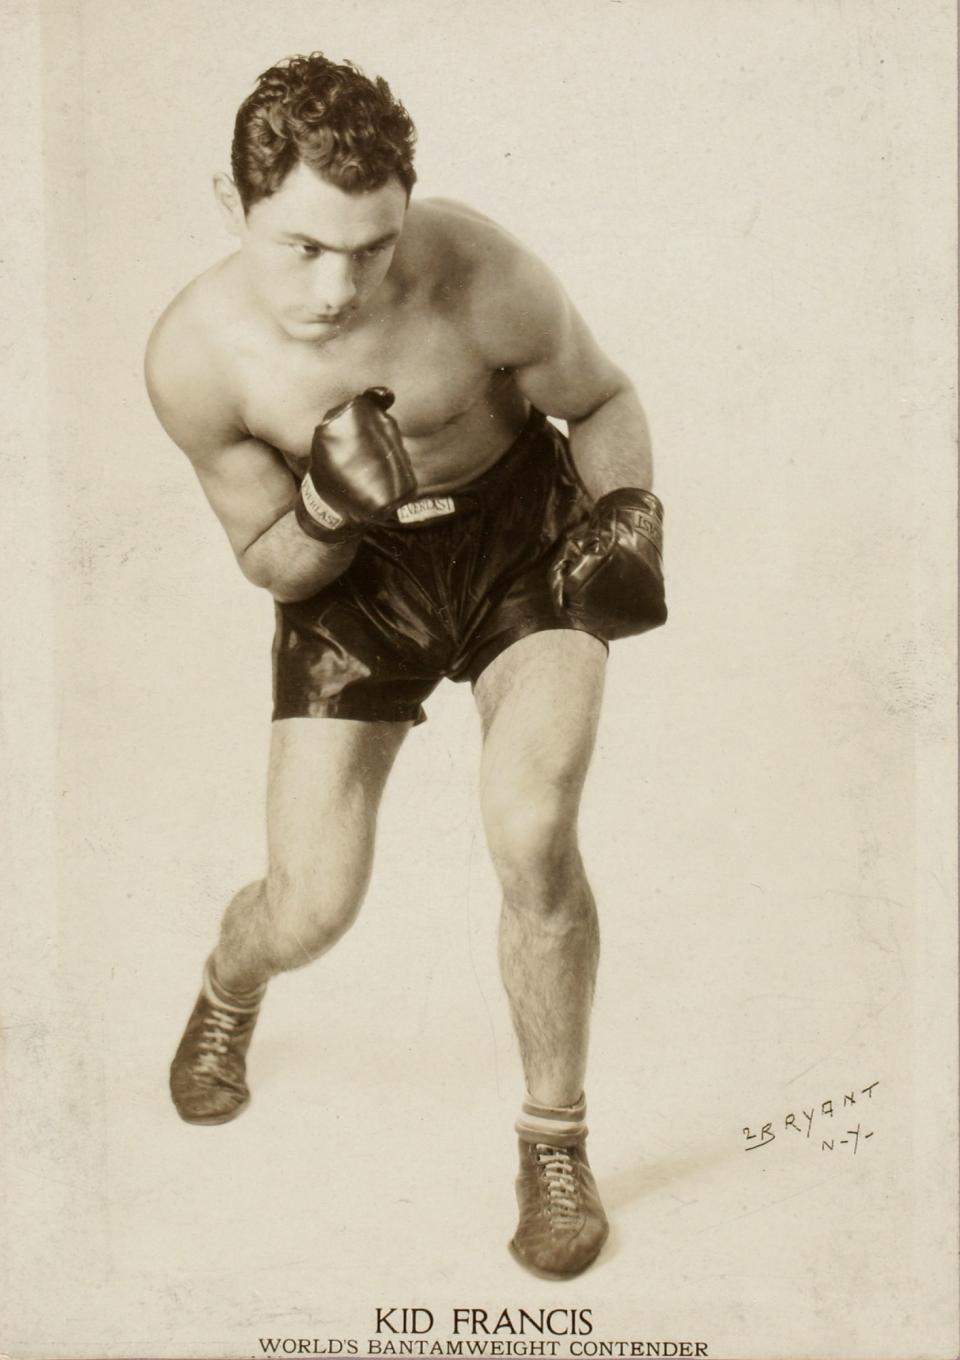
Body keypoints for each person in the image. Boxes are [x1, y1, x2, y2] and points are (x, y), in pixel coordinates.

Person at [145, 52, 666, 1279]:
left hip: (517, 545)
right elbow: (273, 563)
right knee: (311, 905)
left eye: (372, 246)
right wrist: (328, 509)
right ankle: (229, 987)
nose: (341, 285)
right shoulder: (195, 359)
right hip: (351, 584)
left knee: (533, 828)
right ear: (235, 204)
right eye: (304, 248)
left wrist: (629, 508)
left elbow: (601, 400)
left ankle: (554, 1142)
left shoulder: (478, 270)